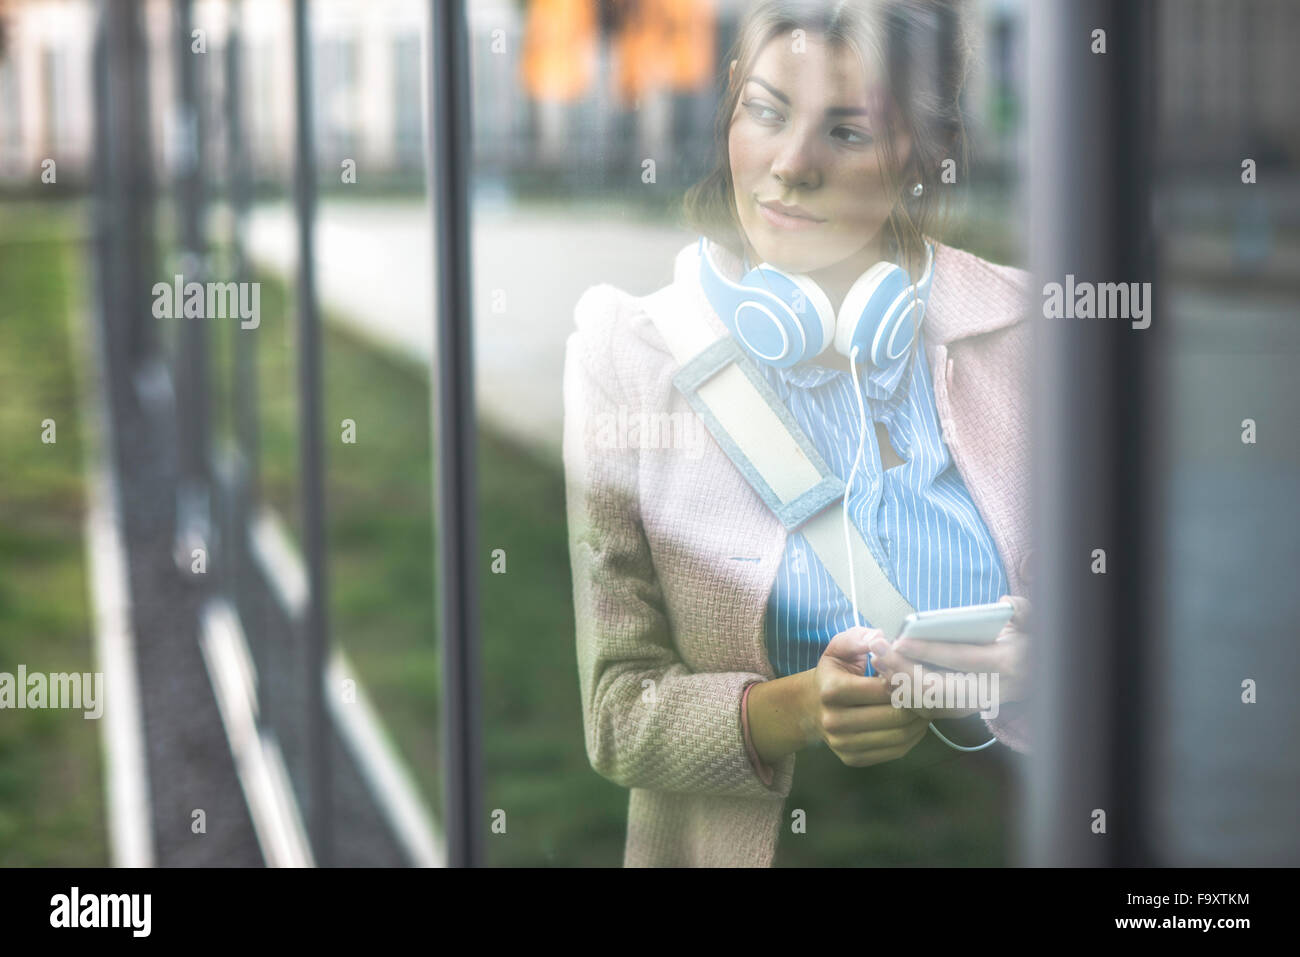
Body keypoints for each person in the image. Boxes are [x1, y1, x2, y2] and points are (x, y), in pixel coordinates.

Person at [563, 0, 1034, 868]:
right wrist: (797, 710)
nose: (790, 166)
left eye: (847, 132)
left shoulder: (1029, 333)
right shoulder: (628, 354)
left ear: (921, 160)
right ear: (732, 106)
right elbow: (617, 715)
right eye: (768, 113)